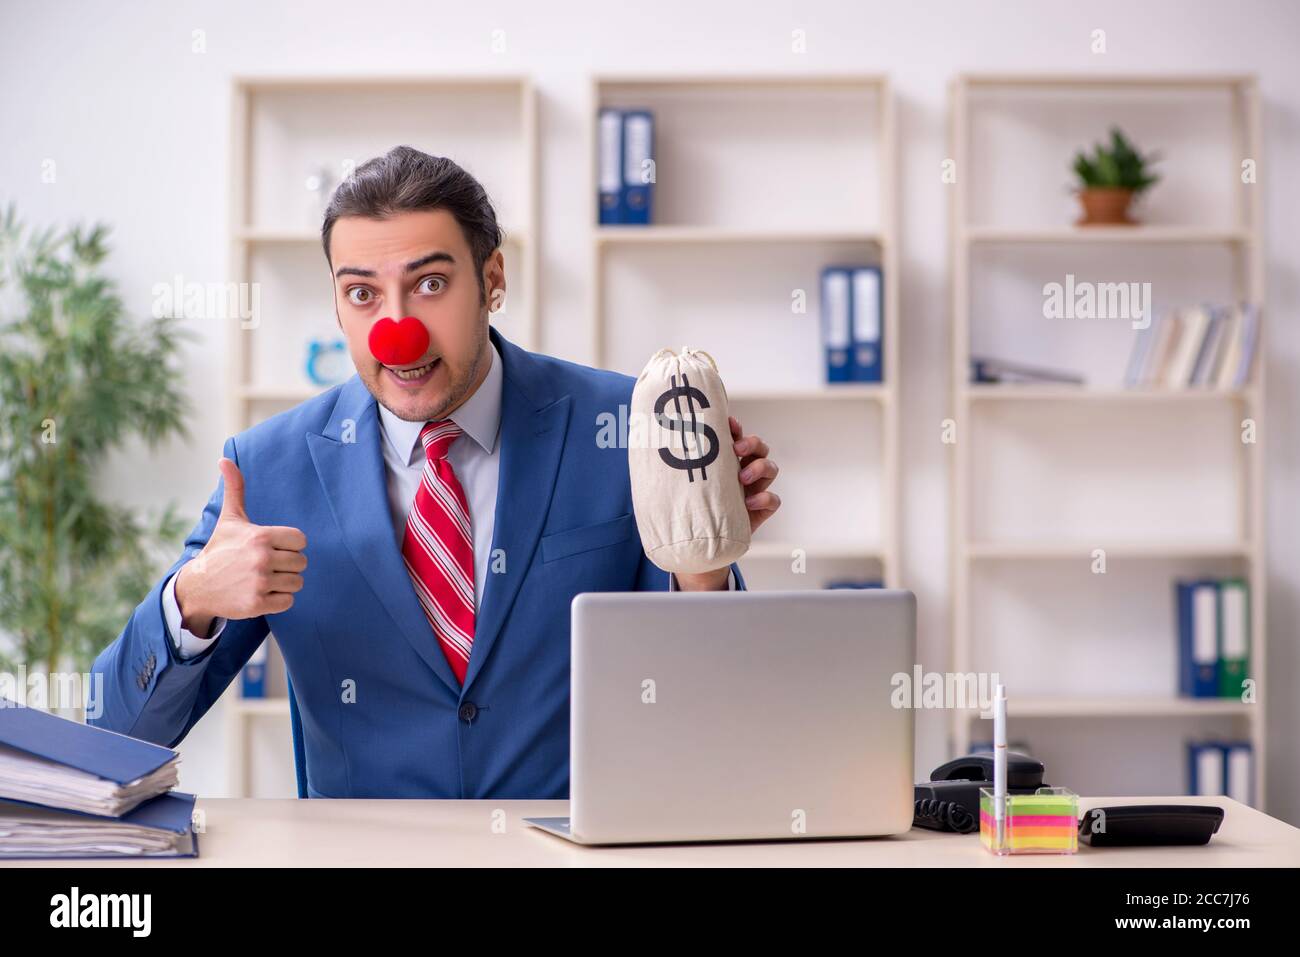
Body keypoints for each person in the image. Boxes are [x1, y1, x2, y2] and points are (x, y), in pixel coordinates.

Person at [88, 146, 782, 798]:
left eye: (429, 283)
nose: (398, 329)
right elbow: (115, 740)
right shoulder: (267, 469)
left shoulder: (627, 424)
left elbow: (712, 707)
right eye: (362, 294)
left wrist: (703, 563)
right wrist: (195, 596)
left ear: (493, 280)